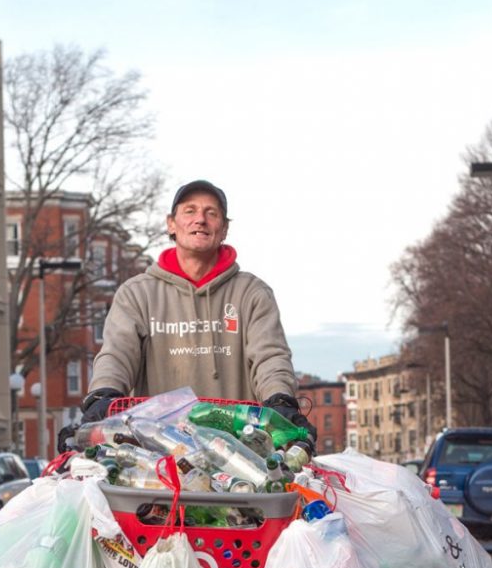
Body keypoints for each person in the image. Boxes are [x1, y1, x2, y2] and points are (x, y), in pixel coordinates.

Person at [59, 179, 315, 450]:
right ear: (171, 223)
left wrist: (280, 400)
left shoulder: (252, 293)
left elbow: (270, 357)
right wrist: (103, 395)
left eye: (211, 213)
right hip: (157, 450)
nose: (200, 220)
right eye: (190, 211)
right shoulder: (137, 294)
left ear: (224, 228)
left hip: (240, 449)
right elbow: (117, 354)